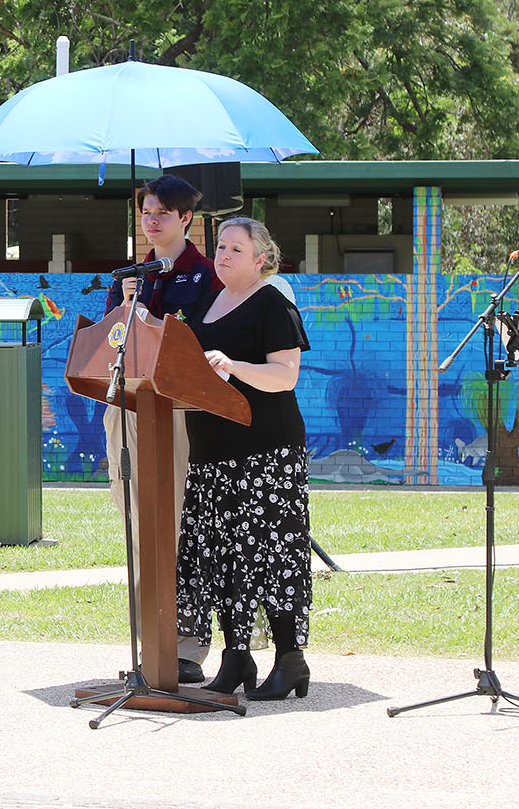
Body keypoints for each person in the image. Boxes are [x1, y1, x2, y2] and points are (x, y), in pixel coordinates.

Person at [176, 216, 312, 700]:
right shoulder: (208, 304)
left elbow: (286, 375)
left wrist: (233, 366)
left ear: (261, 259)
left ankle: (289, 659)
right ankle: (237, 657)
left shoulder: (272, 301)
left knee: (270, 555)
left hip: (264, 453)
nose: (224, 254)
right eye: (220, 246)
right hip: (212, 453)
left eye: (236, 248)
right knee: (223, 557)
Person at [101, 174, 221, 684]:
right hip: (127, 407)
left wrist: (151, 317)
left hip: (175, 413)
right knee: (136, 522)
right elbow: (109, 343)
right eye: (146, 212)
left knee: (178, 526)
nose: (152, 221)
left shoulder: (205, 274)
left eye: (162, 214)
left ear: (186, 218)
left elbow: (198, 344)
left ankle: (186, 646)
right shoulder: (130, 276)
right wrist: (127, 304)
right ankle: (147, 641)